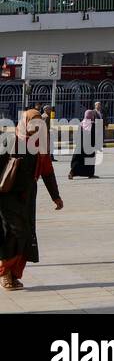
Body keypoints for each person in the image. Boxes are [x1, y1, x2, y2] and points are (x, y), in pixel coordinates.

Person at [0, 109, 63, 290]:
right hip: (7, 197)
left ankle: (14, 274)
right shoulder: (10, 141)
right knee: (12, 233)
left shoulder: (40, 144)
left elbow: (47, 171)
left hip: (27, 196)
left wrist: (56, 196)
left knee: (26, 235)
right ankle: (4, 273)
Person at [67, 107, 101, 179]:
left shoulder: (81, 124)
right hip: (89, 146)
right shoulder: (93, 124)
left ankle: (72, 173)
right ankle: (90, 174)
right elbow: (94, 135)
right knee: (89, 160)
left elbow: (77, 135)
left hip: (80, 146)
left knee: (78, 159)